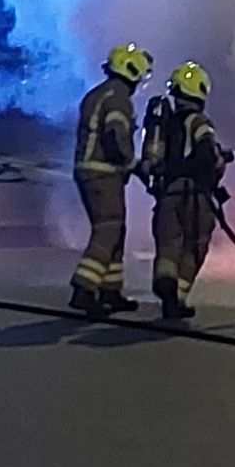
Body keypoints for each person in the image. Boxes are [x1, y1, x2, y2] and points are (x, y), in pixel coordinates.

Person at [69, 43, 154, 317]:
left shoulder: (99, 94)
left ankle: (110, 291)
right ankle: (84, 288)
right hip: (102, 172)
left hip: (92, 171)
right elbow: (116, 137)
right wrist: (134, 165)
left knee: (115, 229)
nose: (141, 82)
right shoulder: (118, 98)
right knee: (108, 228)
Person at [150, 62, 233, 319]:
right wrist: (219, 161)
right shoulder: (198, 122)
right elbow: (206, 154)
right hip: (194, 194)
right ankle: (179, 296)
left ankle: (165, 282)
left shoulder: (166, 125)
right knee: (195, 245)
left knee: (168, 244)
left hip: (168, 193)